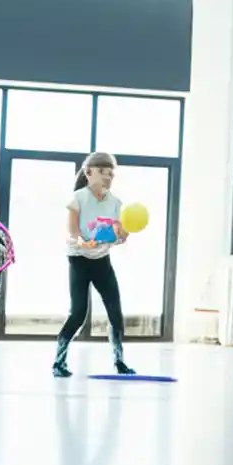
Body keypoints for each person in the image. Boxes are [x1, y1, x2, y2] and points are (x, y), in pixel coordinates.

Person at [53, 152, 136, 378]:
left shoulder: (116, 203)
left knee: (116, 314)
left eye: (111, 173)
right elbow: (72, 232)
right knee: (78, 313)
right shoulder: (78, 198)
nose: (107, 177)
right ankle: (58, 363)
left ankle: (119, 362)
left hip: (101, 261)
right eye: (102, 172)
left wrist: (123, 235)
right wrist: (82, 242)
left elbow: (119, 235)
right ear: (88, 173)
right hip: (78, 260)